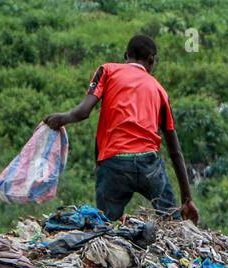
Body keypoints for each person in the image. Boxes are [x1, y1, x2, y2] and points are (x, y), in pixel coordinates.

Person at [44, 34, 199, 224]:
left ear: (126, 55)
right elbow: (175, 151)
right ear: (151, 61)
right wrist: (187, 200)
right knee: (172, 223)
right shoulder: (159, 90)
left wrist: (61, 119)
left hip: (113, 164)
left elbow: (83, 112)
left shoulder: (107, 71)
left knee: (105, 227)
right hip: (149, 165)